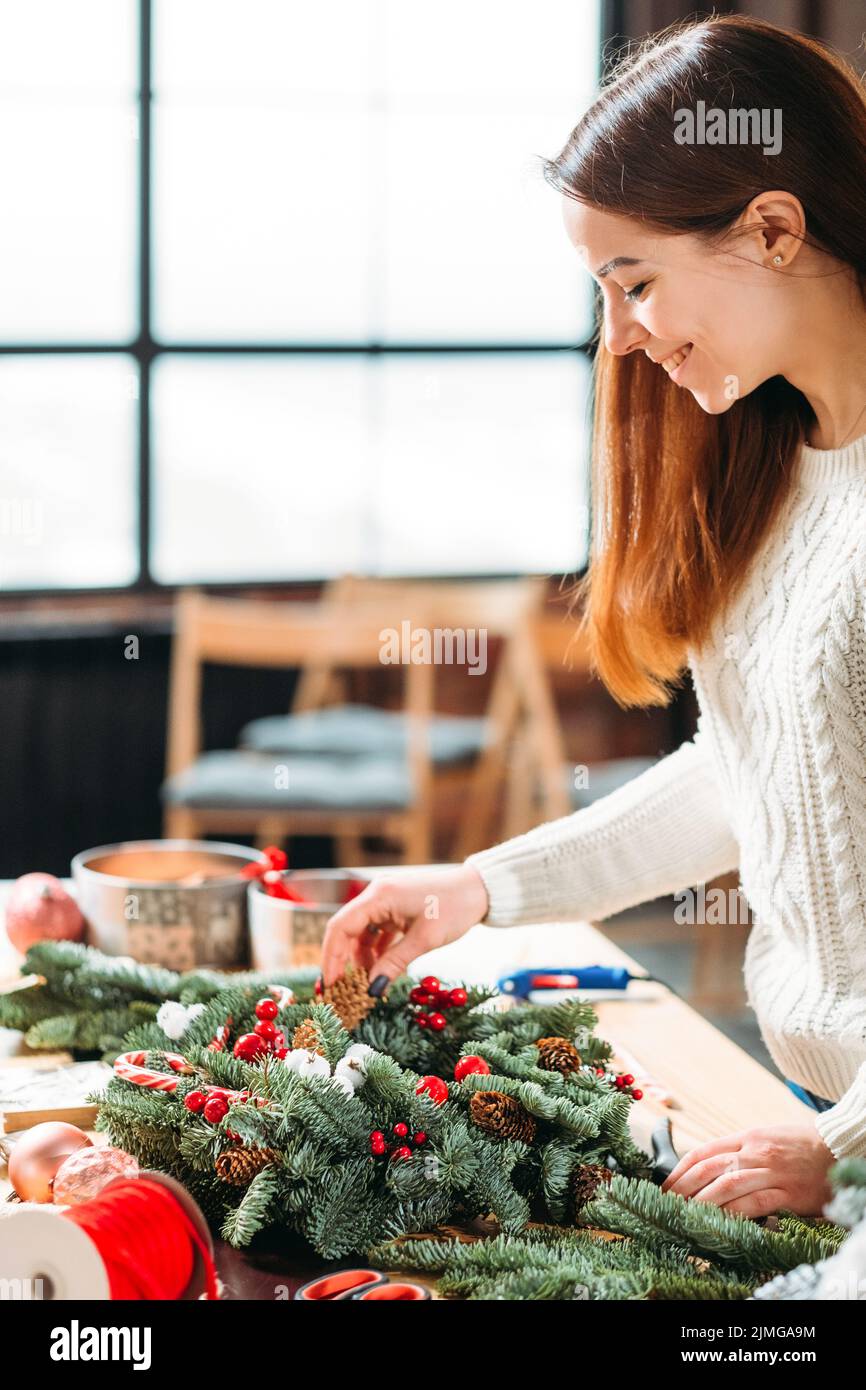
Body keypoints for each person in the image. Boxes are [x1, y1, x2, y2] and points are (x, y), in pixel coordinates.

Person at [321, 14, 866, 1220]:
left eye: (634, 282)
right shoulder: (778, 470)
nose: (618, 335)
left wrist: (845, 1146)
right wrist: (476, 888)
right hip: (814, 1112)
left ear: (773, 229)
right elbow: (748, 774)